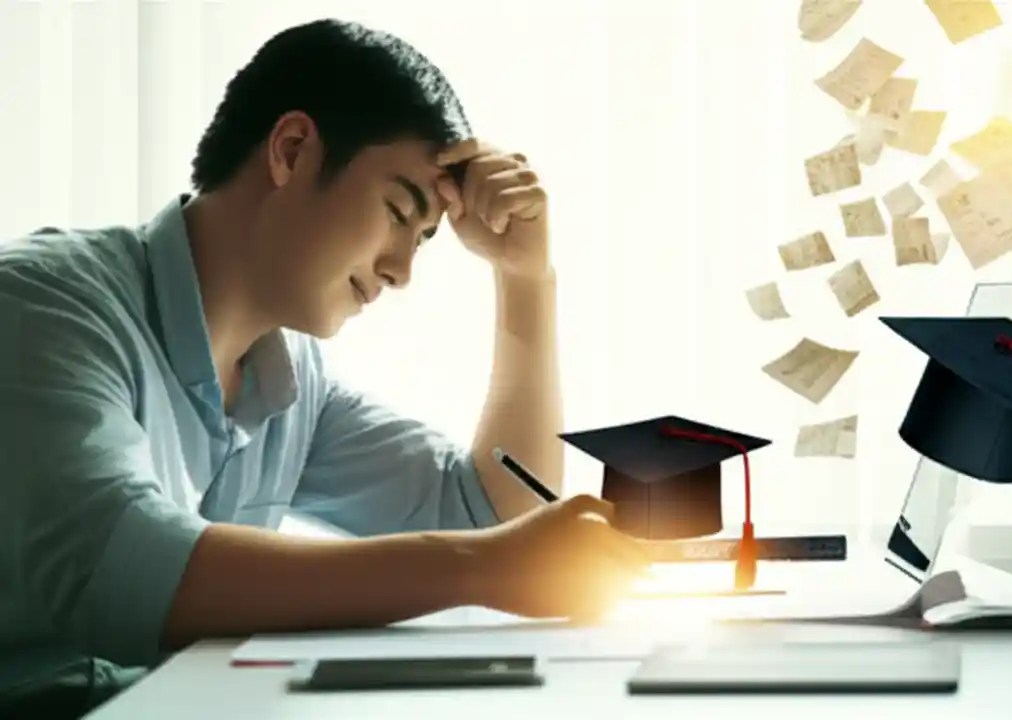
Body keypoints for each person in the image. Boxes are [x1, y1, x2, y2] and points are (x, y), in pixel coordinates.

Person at [0, 18, 649, 718]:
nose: (401, 271)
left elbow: (493, 512)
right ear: (292, 150)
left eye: (423, 240)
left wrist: (524, 278)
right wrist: (483, 567)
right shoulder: (42, 307)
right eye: (398, 212)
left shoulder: (289, 382)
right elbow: (126, 572)